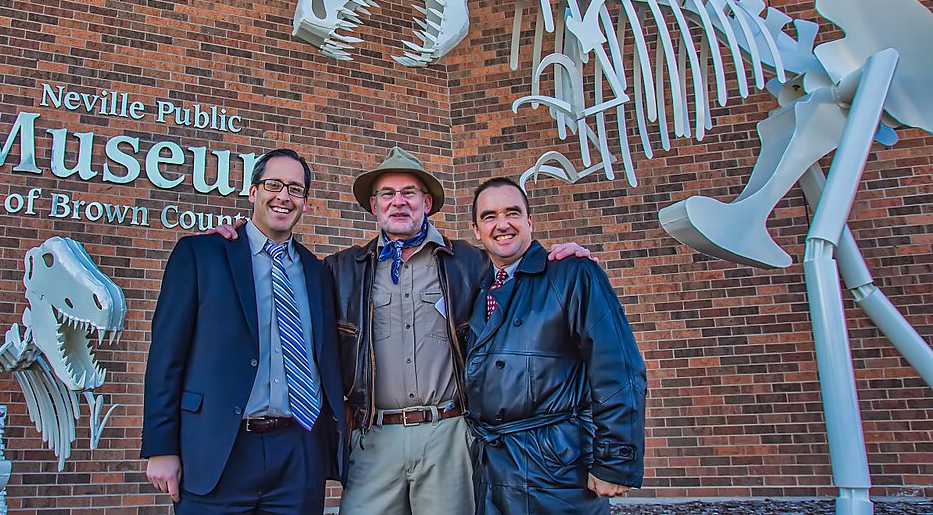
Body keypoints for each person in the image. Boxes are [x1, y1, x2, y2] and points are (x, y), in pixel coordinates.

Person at [212, 146, 589, 514]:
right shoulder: (340, 271)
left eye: (409, 192)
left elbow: (518, 273)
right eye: (387, 194)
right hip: (373, 436)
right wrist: (237, 235)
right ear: (374, 206)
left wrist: (558, 260)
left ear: (426, 203)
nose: (398, 202)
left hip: (448, 432)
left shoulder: (469, 264)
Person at [140, 148, 344, 514]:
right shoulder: (201, 254)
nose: (284, 196)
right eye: (273, 184)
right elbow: (165, 357)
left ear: (306, 204)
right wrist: (160, 446)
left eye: (295, 189)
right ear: (253, 192)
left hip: (298, 455)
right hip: (219, 449)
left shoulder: (317, 272)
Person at [465, 177, 646, 514]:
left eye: (513, 213)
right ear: (476, 230)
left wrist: (615, 461)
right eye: (489, 216)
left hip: (557, 468)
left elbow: (617, 368)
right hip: (492, 469)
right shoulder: (480, 289)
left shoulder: (572, 274)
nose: (502, 224)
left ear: (529, 222)